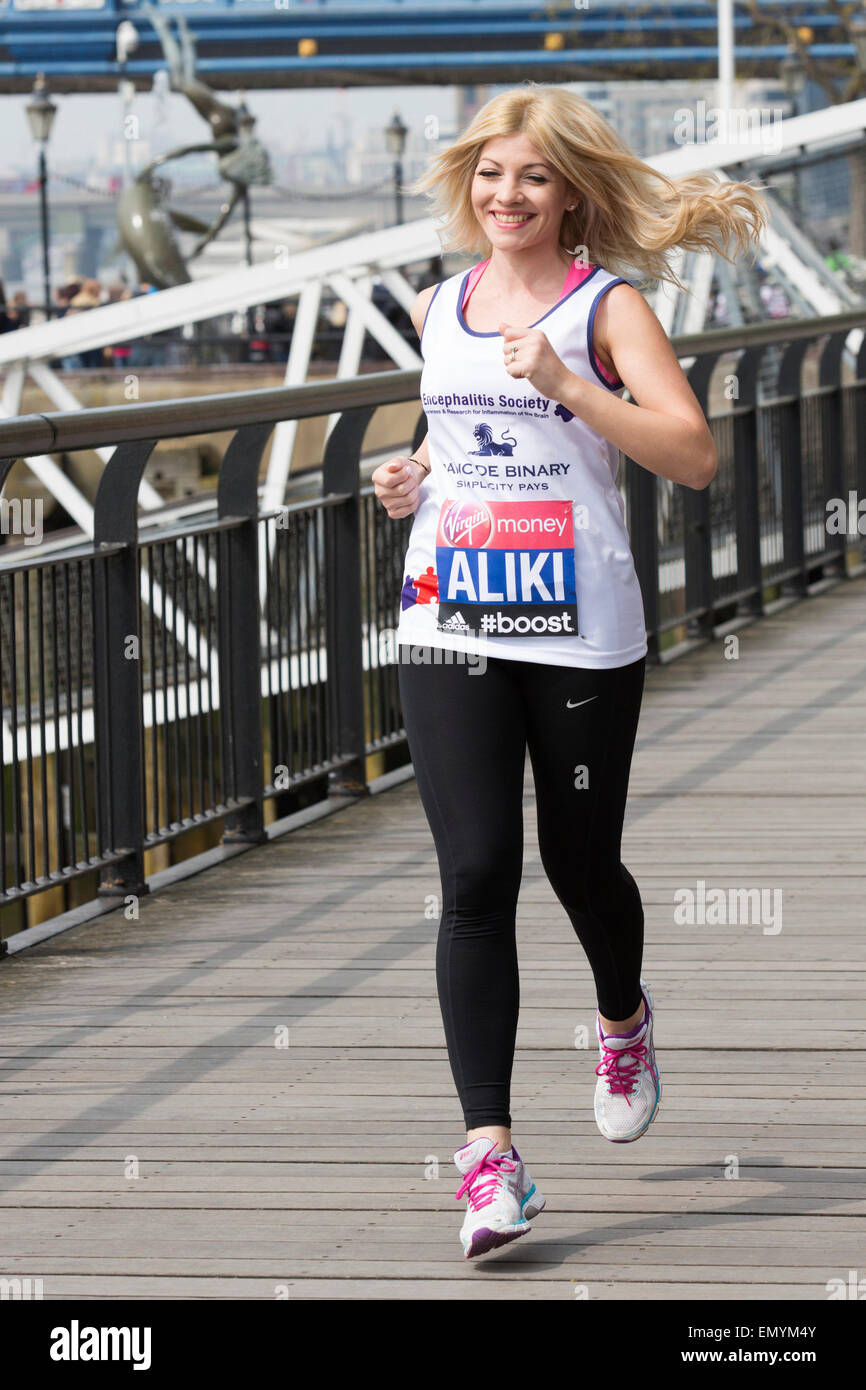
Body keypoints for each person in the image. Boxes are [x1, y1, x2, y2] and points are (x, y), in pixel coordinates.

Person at [371, 84, 767, 1261]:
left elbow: (690, 455)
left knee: (576, 863)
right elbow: (455, 434)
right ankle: (489, 1165)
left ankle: (622, 1018)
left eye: (532, 178)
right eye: (491, 175)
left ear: (570, 192)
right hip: (451, 611)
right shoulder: (440, 305)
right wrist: (410, 478)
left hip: (579, 627)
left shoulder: (608, 308)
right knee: (476, 868)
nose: (506, 196)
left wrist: (567, 382)